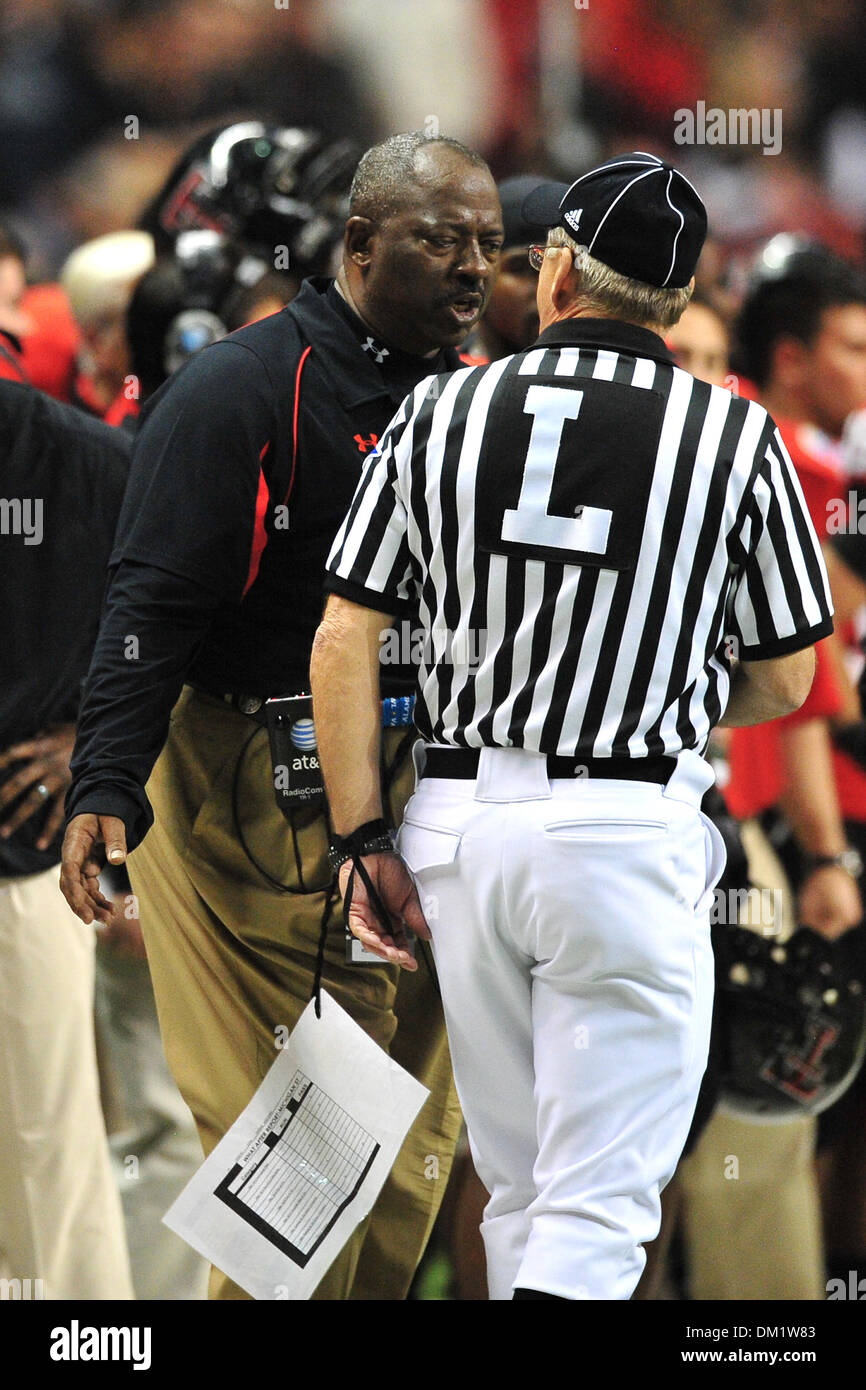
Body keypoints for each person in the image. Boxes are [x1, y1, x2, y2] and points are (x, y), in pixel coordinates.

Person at [309, 151, 833, 1300]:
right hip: (617, 827)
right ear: (681, 301)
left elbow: (345, 634)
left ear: (554, 272)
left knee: (522, 1185)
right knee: (596, 1206)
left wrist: (360, 839)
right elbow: (789, 674)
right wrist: (673, 692)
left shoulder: (440, 406)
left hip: (457, 829)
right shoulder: (732, 438)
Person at [60, 130, 504, 1301]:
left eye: (488, 246)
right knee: (307, 1154)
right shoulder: (244, 387)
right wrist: (103, 781)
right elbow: (149, 598)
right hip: (247, 780)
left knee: (402, 1161)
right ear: (358, 244)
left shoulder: (468, 401)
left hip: (416, 792)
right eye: (440, 239)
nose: (470, 268)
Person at [0, 377, 133, 1299]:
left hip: (19, 862)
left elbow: (180, 628)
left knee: (49, 1144)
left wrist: (92, 741)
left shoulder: (89, 463)